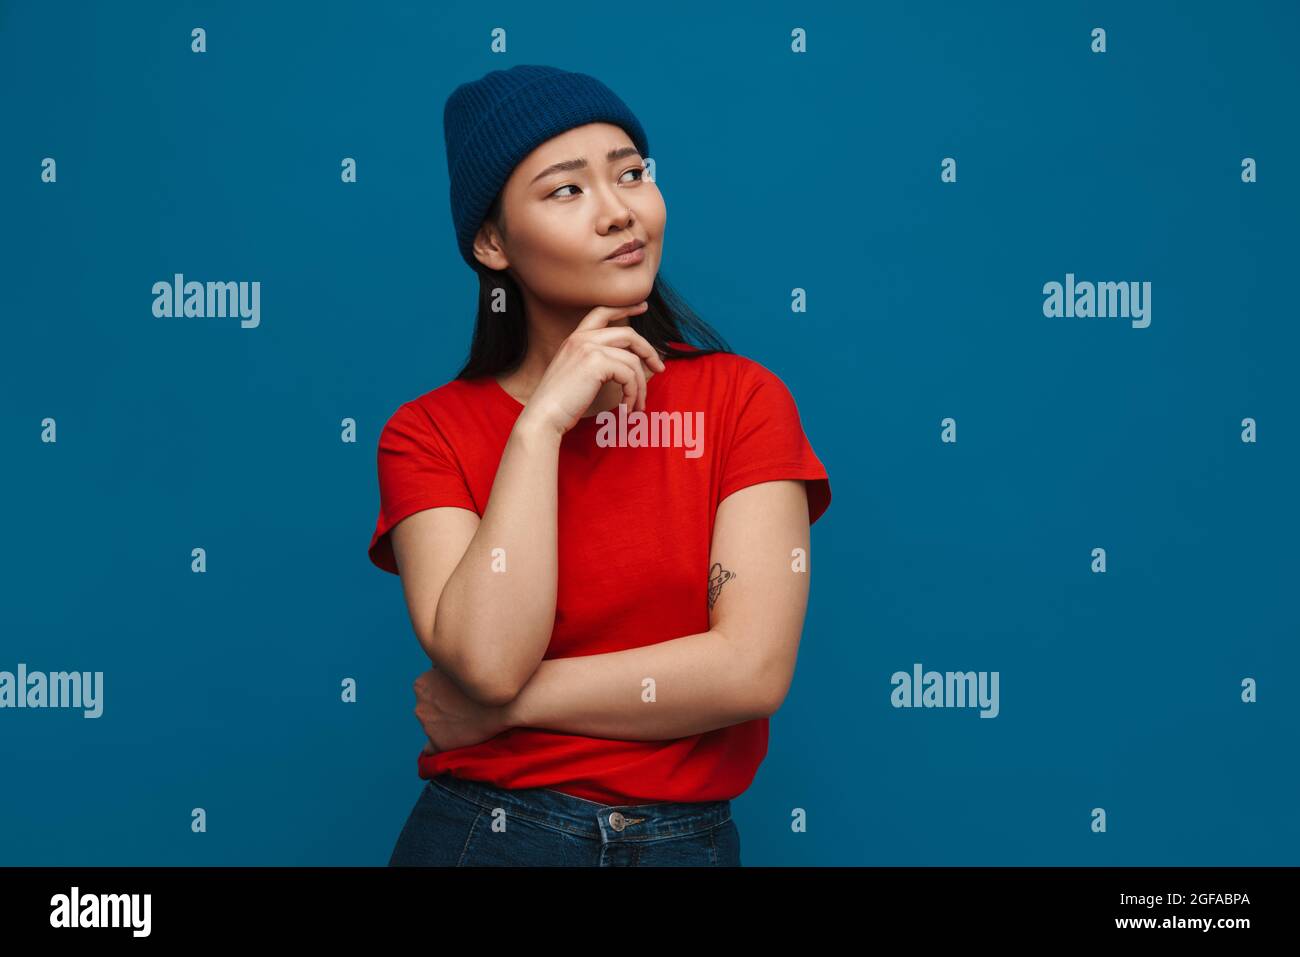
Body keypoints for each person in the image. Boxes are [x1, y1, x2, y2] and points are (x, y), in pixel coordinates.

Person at [368, 64, 832, 866]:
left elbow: (750, 670)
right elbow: (486, 659)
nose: (621, 211)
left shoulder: (741, 400)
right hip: (492, 836)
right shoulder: (426, 433)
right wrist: (542, 424)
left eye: (631, 174)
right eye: (566, 191)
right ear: (490, 242)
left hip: (688, 843)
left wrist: (505, 711)